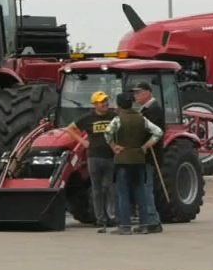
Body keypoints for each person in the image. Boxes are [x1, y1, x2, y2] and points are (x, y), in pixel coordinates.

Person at [105, 91, 163, 235]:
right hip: (139, 159)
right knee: (140, 192)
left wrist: (114, 146)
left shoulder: (118, 120)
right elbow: (158, 132)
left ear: (119, 105)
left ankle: (125, 226)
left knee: (123, 193)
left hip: (123, 159)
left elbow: (107, 132)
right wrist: (145, 146)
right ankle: (144, 225)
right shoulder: (141, 119)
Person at [65, 90, 117, 232]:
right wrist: (83, 141)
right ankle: (100, 219)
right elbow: (70, 129)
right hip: (94, 157)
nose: (105, 103)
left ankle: (111, 216)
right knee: (97, 189)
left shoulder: (114, 116)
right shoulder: (88, 118)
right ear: (95, 104)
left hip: (110, 157)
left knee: (109, 187)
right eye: (101, 102)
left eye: (106, 100)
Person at [132, 81, 165, 233]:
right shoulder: (145, 109)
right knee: (143, 188)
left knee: (146, 189)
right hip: (143, 156)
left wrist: (143, 145)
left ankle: (152, 220)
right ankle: (148, 219)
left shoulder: (154, 110)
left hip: (149, 156)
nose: (135, 95)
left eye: (138, 92)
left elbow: (152, 132)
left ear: (147, 93)